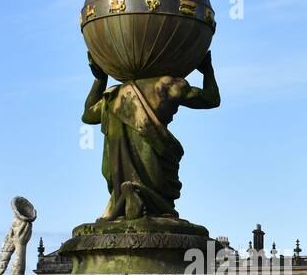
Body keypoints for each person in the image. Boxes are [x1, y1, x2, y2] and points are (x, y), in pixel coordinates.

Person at [82, 50, 219, 220]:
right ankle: (140, 194)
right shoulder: (170, 86)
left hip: (120, 169)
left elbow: (88, 114)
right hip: (158, 165)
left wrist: (100, 78)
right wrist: (207, 69)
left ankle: (127, 195)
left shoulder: (115, 96)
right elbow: (212, 99)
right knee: (164, 210)